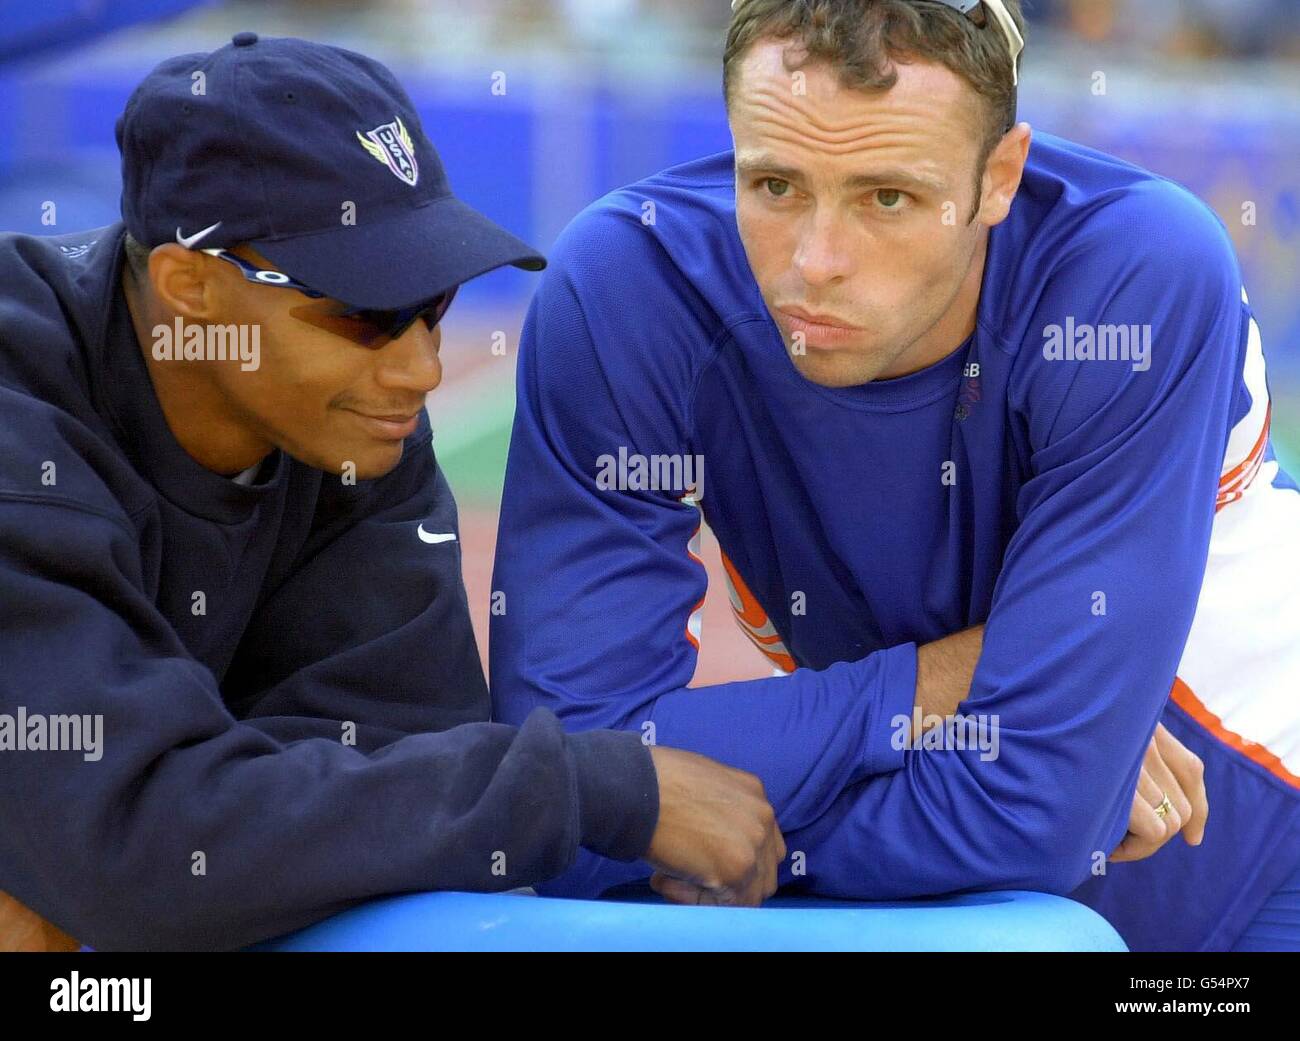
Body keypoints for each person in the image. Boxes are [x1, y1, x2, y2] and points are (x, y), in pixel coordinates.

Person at [489, 0, 1300, 950]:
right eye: (776, 184)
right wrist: (937, 686)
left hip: (1262, 845)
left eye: (888, 199)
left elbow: (1034, 817)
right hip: (930, 894)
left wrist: (683, 822)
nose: (815, 265)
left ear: (1000, 177)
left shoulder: (1135, 272)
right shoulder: (633, 284)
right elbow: (553, 803)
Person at [0, 32, 785, 952]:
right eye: (367, 314)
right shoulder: (24, 422)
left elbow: (382, 758)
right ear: (191, 288)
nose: (422, 367)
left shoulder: (351, 437)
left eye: (435, 303)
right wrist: (587, 786)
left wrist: (150, 842)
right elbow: (142, 843)